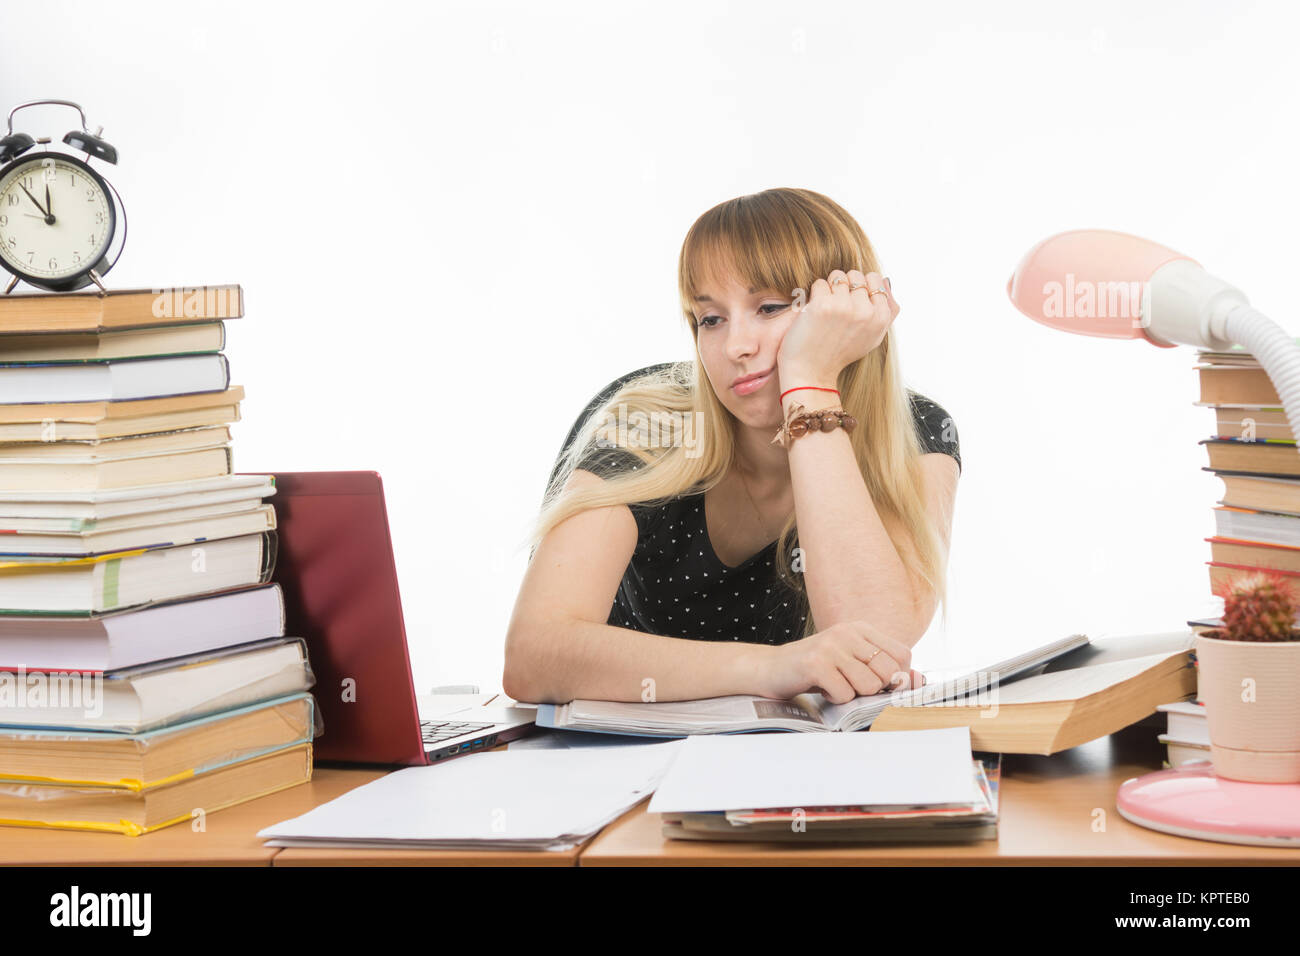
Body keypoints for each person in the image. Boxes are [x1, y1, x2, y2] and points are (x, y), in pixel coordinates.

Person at [504, 187, 961, 706]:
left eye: (768, 307)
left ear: (845, 313)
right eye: (711, 319)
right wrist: (771, 668)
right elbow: (533, 656)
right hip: (615, 763)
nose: (736, 347)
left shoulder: (917, 430)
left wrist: (810, 382)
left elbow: (878, 638)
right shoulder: (645, 421)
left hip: (786, 769)